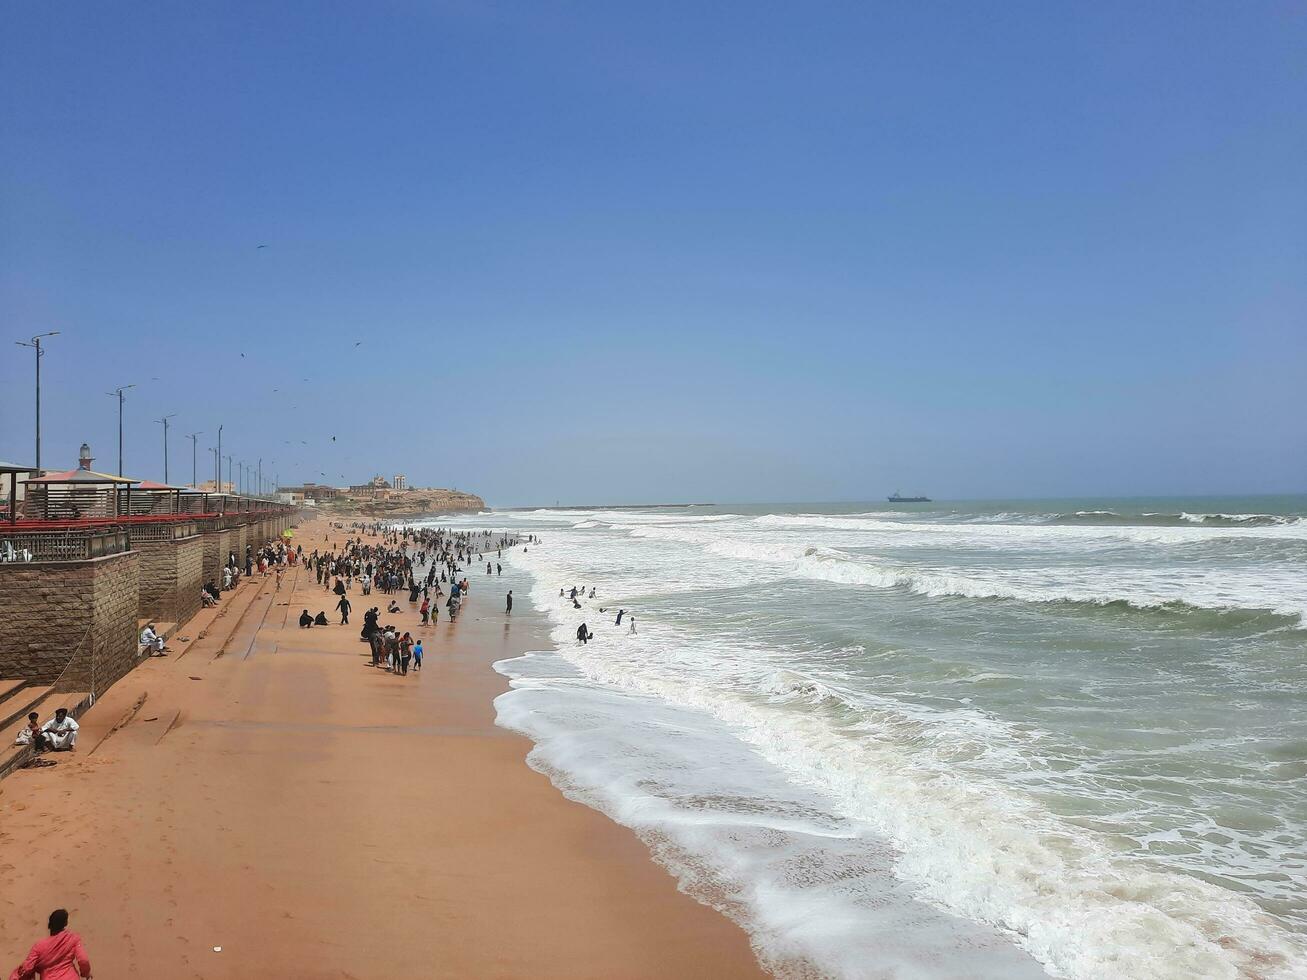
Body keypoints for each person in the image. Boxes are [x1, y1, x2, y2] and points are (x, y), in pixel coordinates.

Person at [8, 908, 91, 980]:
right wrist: (85, 973)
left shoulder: (39, 946)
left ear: (49, 924)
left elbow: (26, 968)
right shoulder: (73, 939)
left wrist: (17, 974)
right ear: (65, 924)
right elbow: (84, 960)